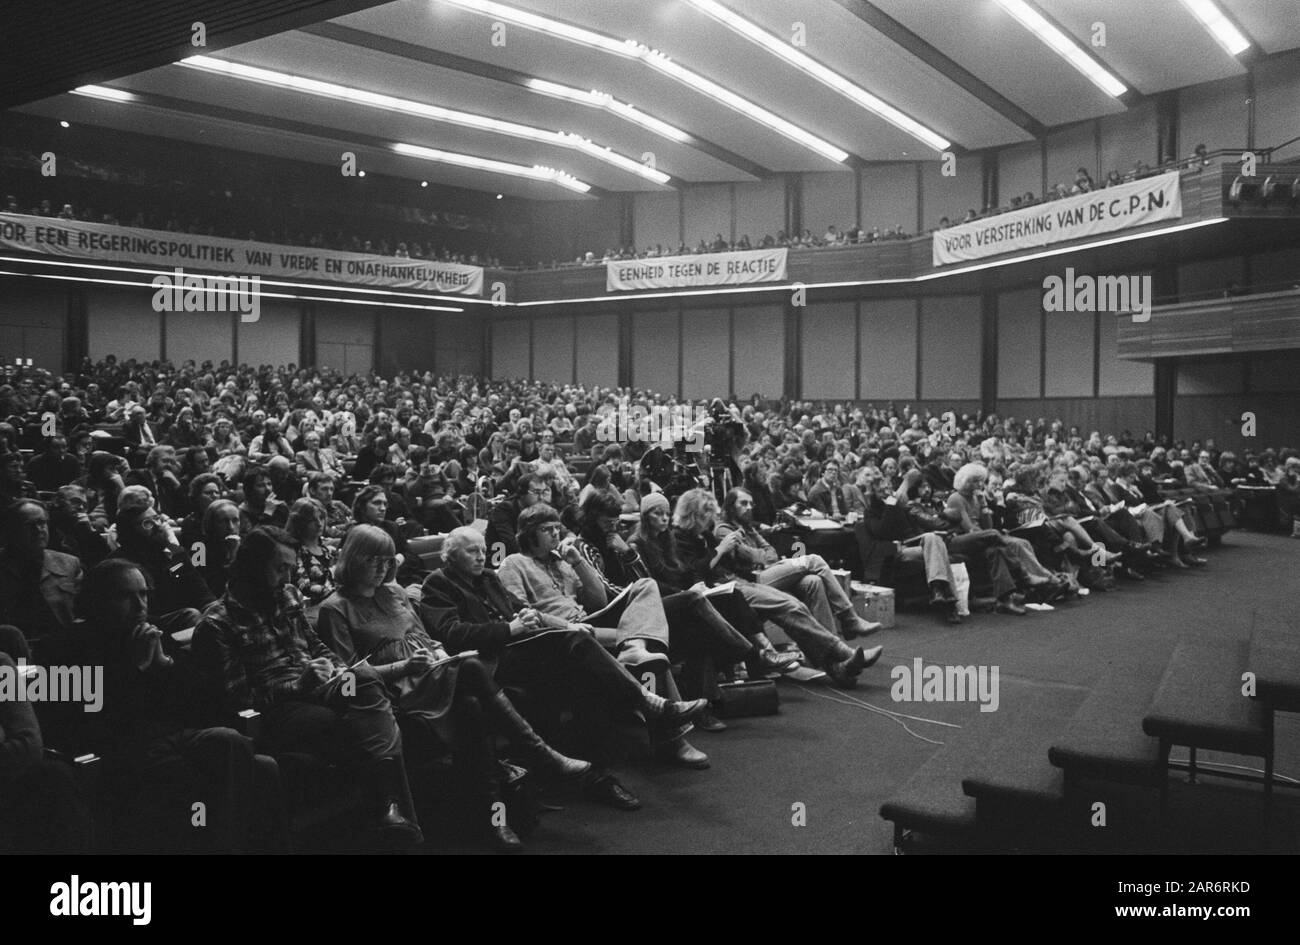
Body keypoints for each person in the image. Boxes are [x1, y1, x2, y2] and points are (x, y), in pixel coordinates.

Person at [316, 525, 590, 852]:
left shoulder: (395, 593)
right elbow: (350, 677)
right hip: (398, 689)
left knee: (472, 703)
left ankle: (495, 820)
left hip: (432, 673)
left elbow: (426, 638)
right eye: (373, 561)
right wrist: (403, 667)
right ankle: (540, 753)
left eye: (387, 561)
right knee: (473, 670)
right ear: (355, 560)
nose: (381, 569)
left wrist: (440, 654)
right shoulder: (335, 608)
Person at [192, 527, 423, 851]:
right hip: (279, 708)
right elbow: (238, 703)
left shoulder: (285, 595)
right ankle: (391, 814)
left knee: (366, 679)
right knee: (353, 721)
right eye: (280, 568)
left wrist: (338, 669)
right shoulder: (217, 623)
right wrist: (297, 685)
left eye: (290, 568)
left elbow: (315, 645)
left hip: (320, 684)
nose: (288, 577)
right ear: (250, 566)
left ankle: (389, 817)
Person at [36, 559, 283, 853]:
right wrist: (136, 670)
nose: (139, 605)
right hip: (114, 753)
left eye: (143, 594)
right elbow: (90, 725)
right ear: (98, 601)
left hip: (171, 739)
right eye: (125, 596)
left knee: (246, 753)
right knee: (229, 761)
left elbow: (206, 705)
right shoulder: (65, 647)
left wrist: (166, 667)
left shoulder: (152, 633)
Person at [497, 503, 710, 768]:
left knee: (646, 585)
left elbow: (597, 601)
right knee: (652, 656)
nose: (554, 534)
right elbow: (520, 612)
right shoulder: (514, 563)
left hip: (589, 620)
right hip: (561, 634)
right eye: (546, 529)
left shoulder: (563, 562)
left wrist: (577, 562)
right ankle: (676, 741)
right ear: (529, 534)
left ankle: (636, 648)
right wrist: (564, 626)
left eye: (556, 528)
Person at [674, 489, 881, 688]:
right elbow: (694, 574)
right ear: (693, 514)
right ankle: (843, 649)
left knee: (811, 583)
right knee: (796, 597)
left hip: (741, 580)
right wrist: (722, 550)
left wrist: (732, 554)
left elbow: (767, 553)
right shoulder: (698, 536)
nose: (709, 519)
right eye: (705, 514)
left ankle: (838, 665)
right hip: (726, 588)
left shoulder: (714, 534)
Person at [0, 499, 82, 644]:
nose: (39, 530)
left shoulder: (69, 564)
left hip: (63, 647)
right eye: (29, 525)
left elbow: (84, 610)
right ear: (11, 530)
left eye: (42, 523)